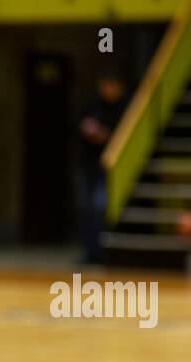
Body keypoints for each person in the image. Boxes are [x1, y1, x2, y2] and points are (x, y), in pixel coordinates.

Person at [78, 74, 127, 265]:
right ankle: (89, 252)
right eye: (105, 85)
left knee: (100, 208)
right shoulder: (92, 105)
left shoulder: (124, 109)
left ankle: (102, 253)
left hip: (109, 168)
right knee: (86, 209)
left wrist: (104, 135)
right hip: (88, 165)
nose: (108, 90)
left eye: (112, 86)